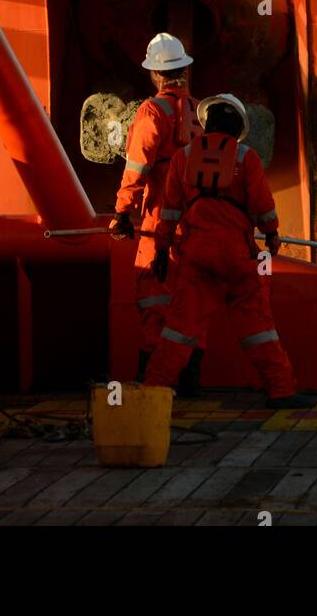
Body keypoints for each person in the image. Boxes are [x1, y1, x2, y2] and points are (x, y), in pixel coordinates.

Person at [143, 93, 308, 407]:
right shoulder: (246, 158)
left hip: (196, 256)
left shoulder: (183, 157)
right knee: (258, 327)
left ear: (207, 123)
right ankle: (281, 391)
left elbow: (169, 213)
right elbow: (263, 208)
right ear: (237, 128)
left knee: (178, 329)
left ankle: (154, 390)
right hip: (238, 256)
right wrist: (272, 236)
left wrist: (162, 252)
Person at [109, 33, 203, 387]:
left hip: (159, 222)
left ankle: (153, 382)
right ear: (184, 70)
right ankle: (190, 379)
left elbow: (137, 166)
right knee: (190, 302)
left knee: (155, 299)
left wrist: (122, 213)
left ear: (154, 74)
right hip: (196, 222)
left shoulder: (152, 112)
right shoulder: (198, 111)